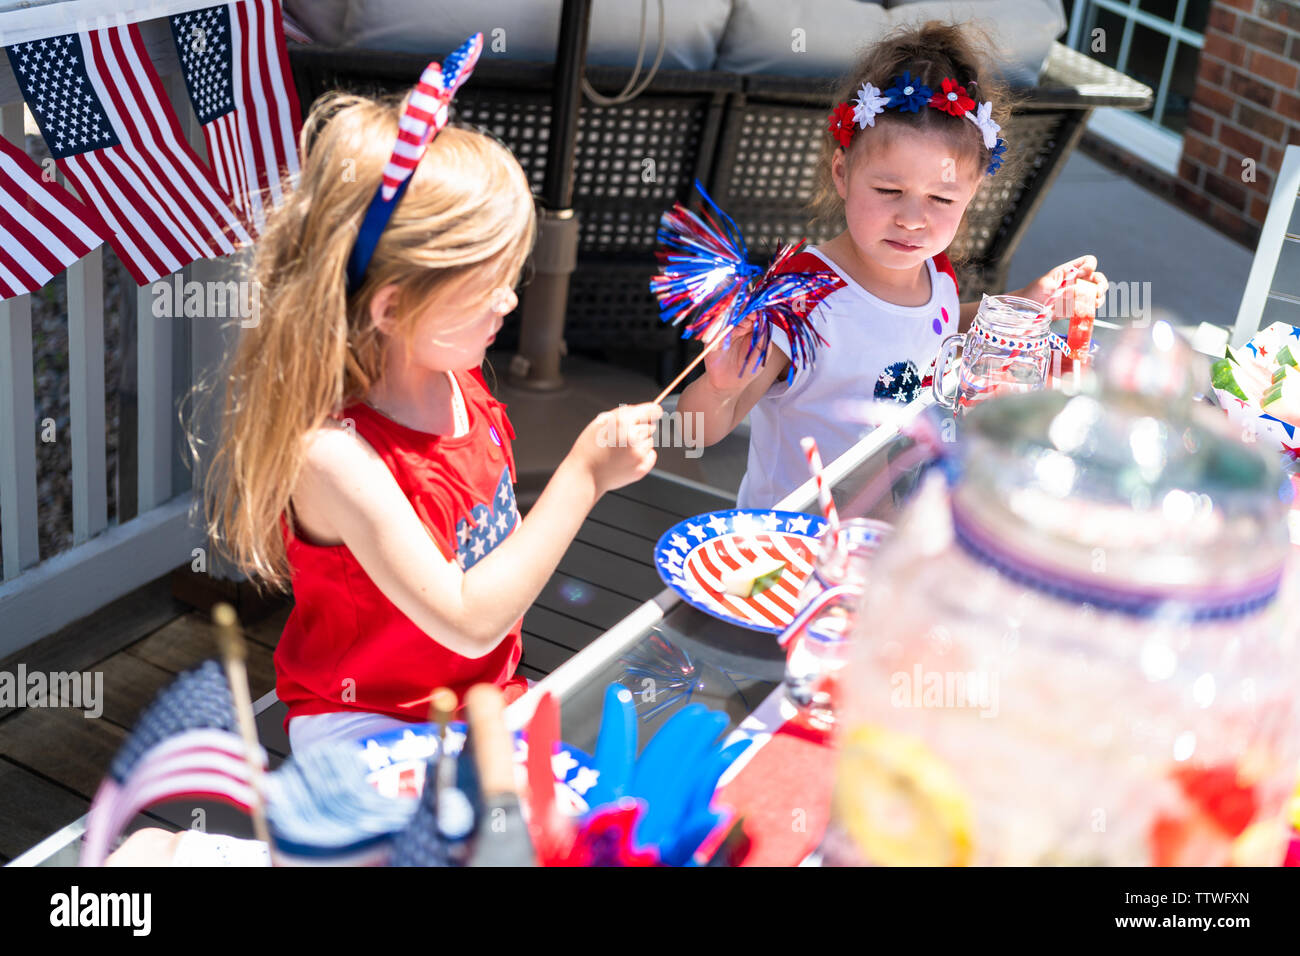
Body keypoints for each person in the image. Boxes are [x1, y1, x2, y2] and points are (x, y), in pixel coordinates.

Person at [201, 44, 661, 753]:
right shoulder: (334, 455)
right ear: (392, 307)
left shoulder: (456, 375)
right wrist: (584, 475)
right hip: (366, 725)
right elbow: (466, 617)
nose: (511, 299)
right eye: (489, 283)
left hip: (478, 700)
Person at [677, 21, 1107, 509]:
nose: (912, 219)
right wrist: (717, 388)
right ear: (842, 172)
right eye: (888, 191)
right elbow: (701, 433)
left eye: (941, 198)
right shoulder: (801, 296)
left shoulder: (935, 273)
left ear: (972, 195)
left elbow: (935, 325)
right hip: (795, 554)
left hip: (887, 544)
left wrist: (1024, 303)